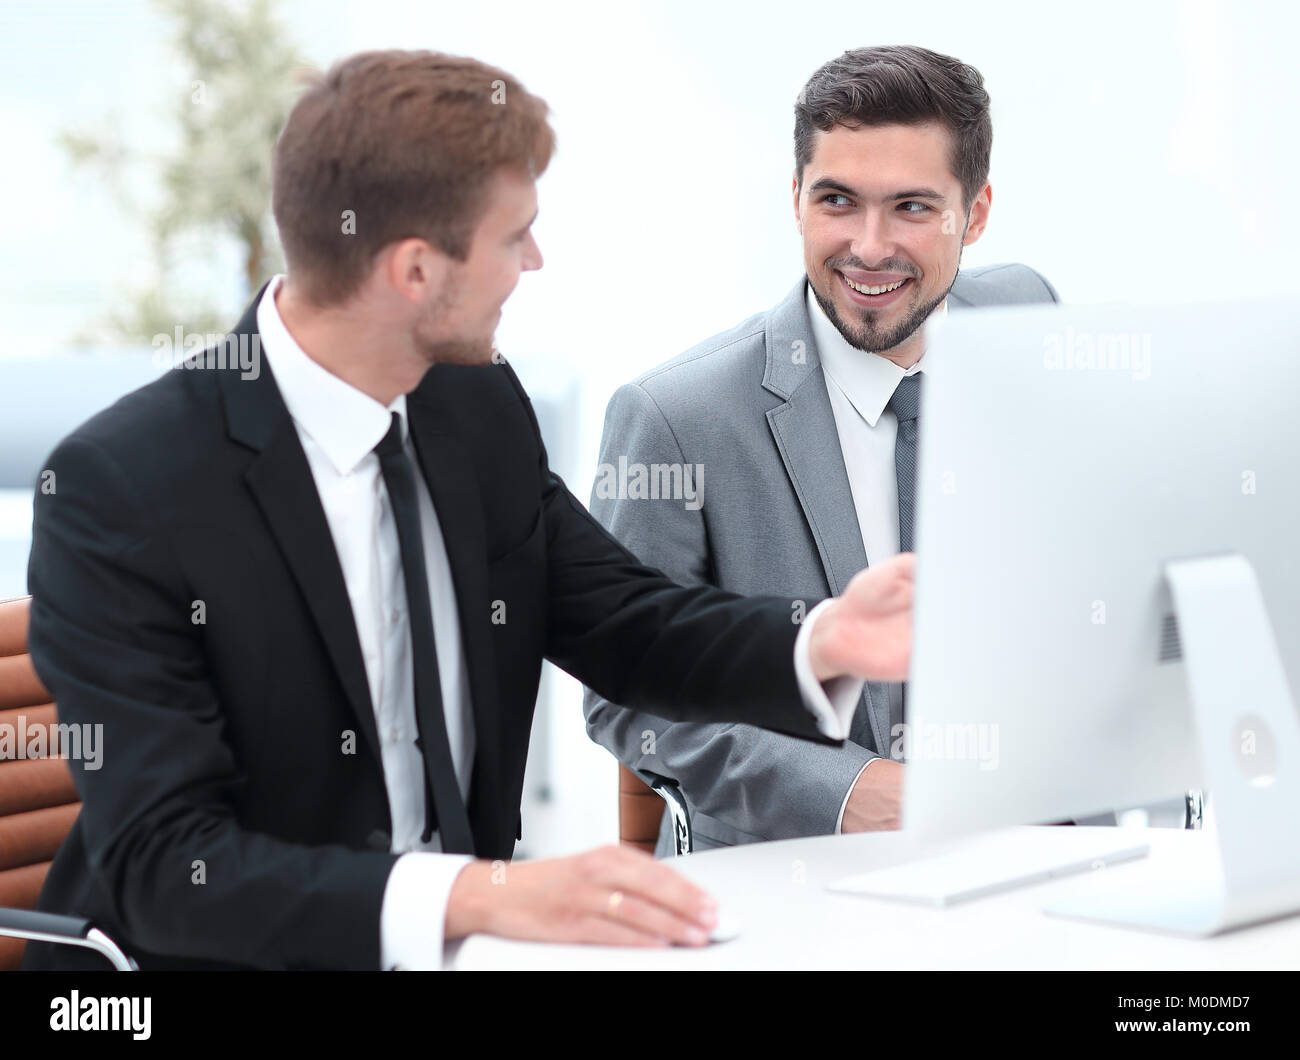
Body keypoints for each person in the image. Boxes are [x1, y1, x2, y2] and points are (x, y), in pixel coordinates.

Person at [22, 49, 914, 971]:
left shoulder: (470, 405)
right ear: (415, 271)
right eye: (513, 236)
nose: (535, 260)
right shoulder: (123, 490)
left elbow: (622, 621)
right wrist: (486, 895)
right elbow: (167, 863)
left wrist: (826, 640)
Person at [585, 45, 1067, 854]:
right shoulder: (676, 418)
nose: (869, 248)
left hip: (1030, 853)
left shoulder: (1026, 316)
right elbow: (627, 697)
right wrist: (847, 792)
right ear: (797, 199)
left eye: (912, 207)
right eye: (838, 200)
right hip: (801, 881)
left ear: (974, 214)